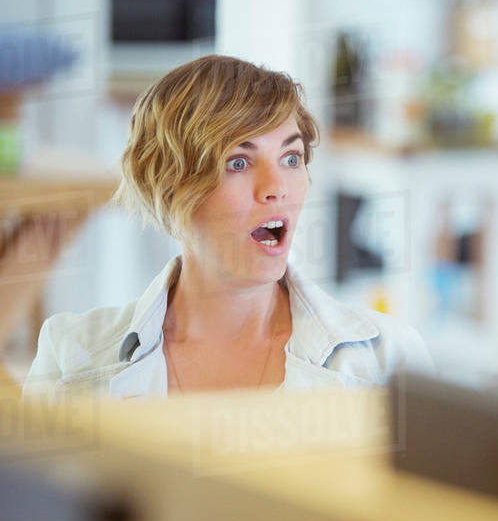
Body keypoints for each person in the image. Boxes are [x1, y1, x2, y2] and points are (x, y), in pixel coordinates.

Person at [22, 55, 432, 398]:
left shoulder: (388, 358)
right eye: (238, 162)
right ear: (169, 185)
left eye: (291, 158)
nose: (277, 189)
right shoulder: (71, 354)